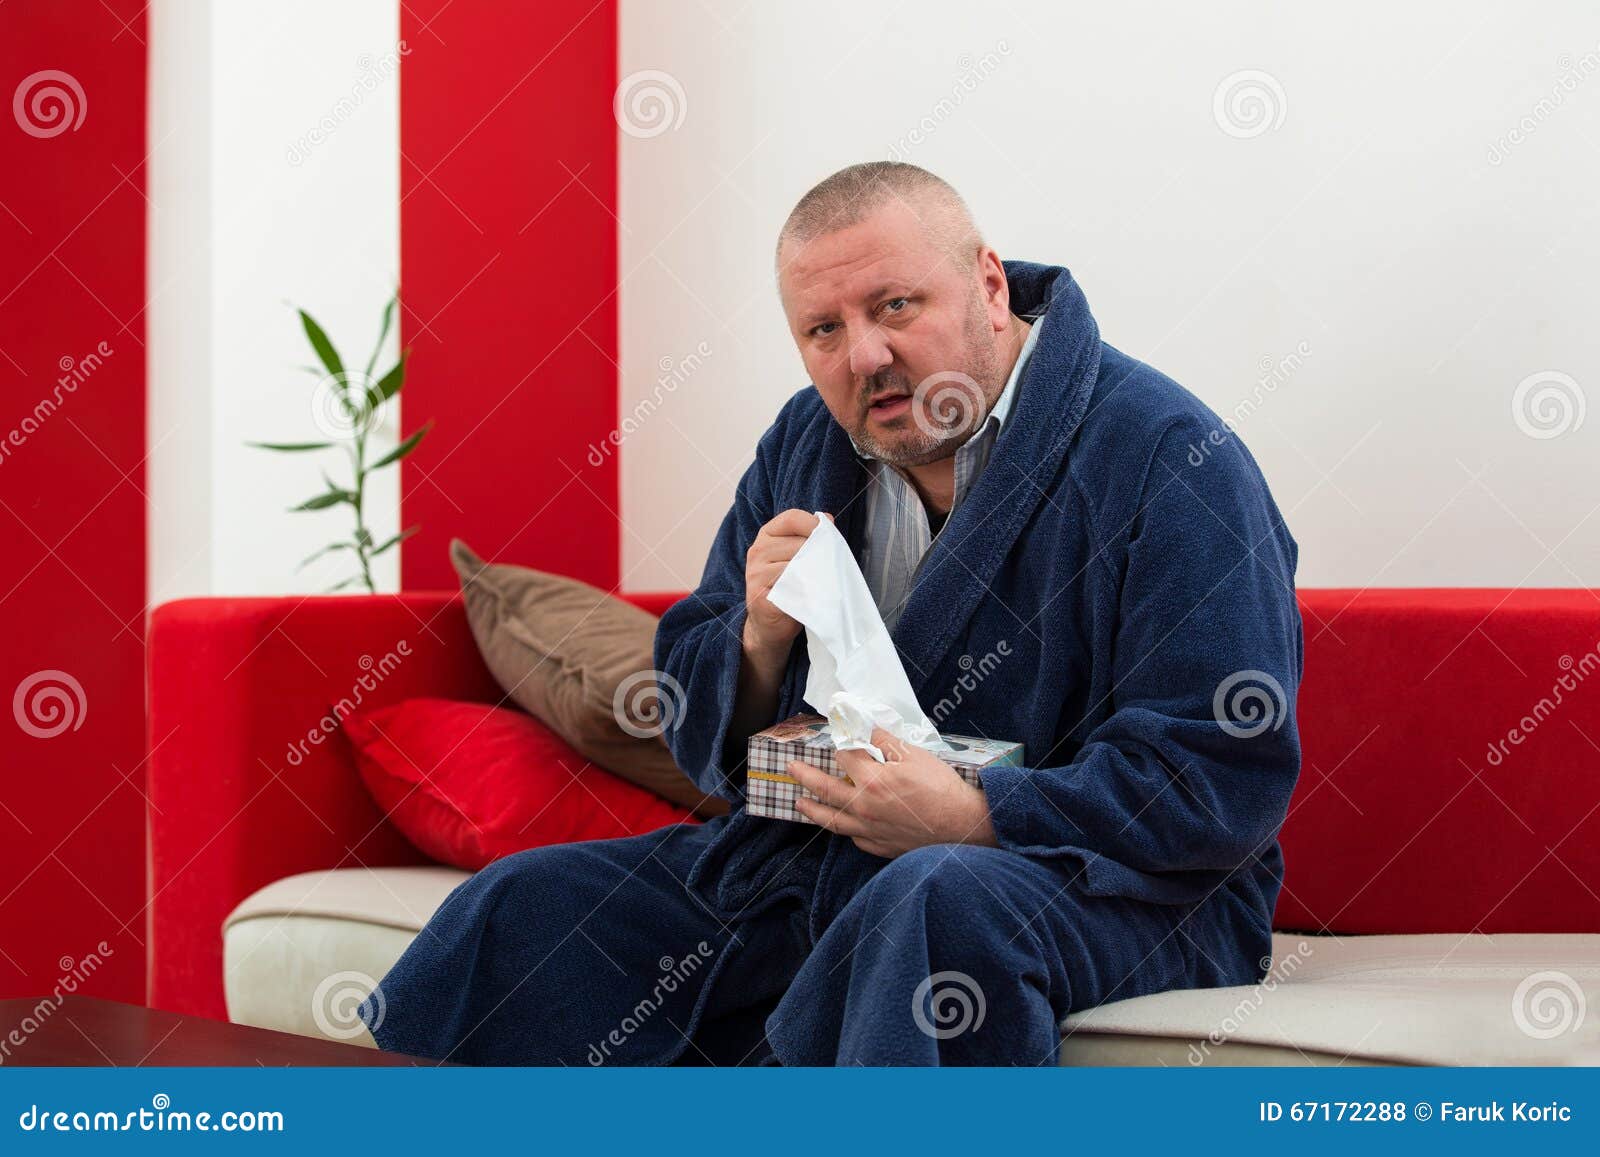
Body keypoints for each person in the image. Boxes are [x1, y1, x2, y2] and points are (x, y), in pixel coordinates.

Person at [362, 161, 1302, 1066]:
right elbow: (698, 729)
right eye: (823, 329)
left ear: (986, 283)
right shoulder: (809, 443)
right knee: (526, 907)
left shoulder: (1171, 459)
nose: (866, 355)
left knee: (936, 906)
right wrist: (757, 639)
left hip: (1130, 890)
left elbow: (1220, 777)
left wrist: (979, 815)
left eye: (896, 305)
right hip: (823, 864)